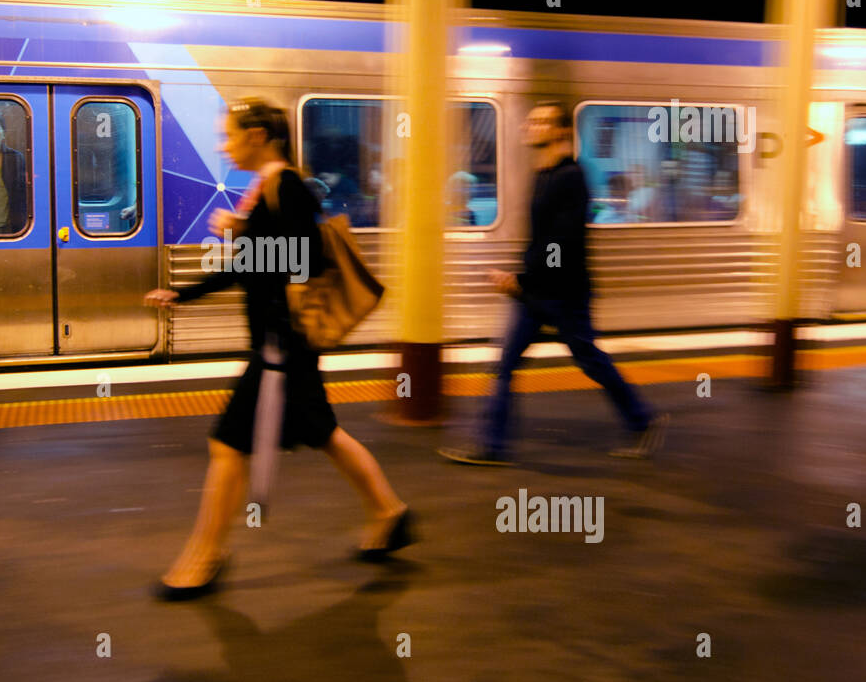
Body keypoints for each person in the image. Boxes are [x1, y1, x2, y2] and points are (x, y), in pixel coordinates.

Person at [144, 97, 412, 599]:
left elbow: (302, 260)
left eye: (230, 134)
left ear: (259, 136)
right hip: (286, 348)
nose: (224, 144)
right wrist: (184, 293)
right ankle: (389, 512)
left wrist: (242, 234)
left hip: (280, 351)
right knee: (325, 432)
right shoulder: (266, 187)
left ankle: (206, 556)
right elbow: (252, 266)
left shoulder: (287, 186)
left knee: (227, 444)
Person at [438, 103, 668, 464]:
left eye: (541, 122)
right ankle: (491, 445)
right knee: (505, 363)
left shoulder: (570, 177)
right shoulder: (543, 174)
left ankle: (643, 420)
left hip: (564, 293)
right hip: (538, 292)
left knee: (590, 361)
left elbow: (561, 245)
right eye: (530, 120)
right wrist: (526, 282)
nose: (531, 127)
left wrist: (523, 280)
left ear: (560, 131)